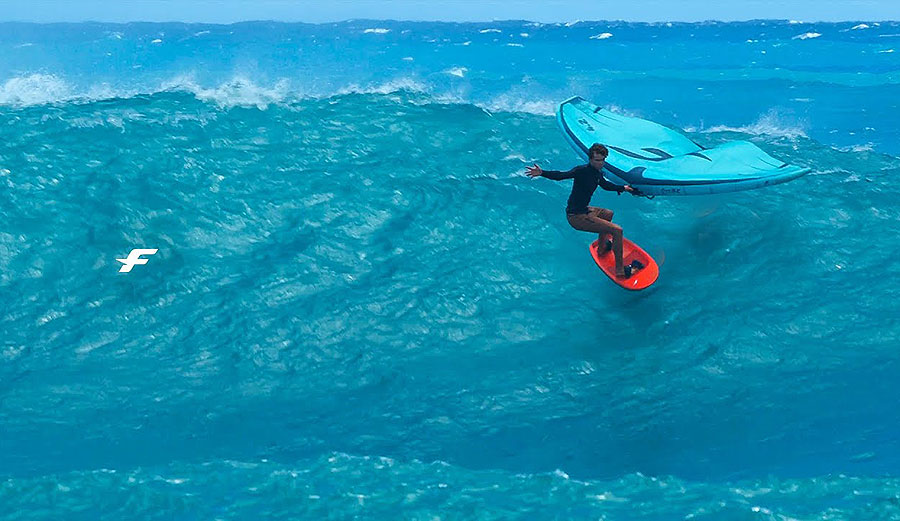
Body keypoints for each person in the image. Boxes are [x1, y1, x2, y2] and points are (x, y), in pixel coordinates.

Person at [526, 143, 639, 278]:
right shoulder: (581, 171)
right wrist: (542, 172)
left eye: (603, 160)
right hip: (576, 217)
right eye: (597, 160)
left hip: (585, 210)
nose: (600, 163)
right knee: (617, 230)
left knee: (608, 214)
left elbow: (605, 185)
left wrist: (623, 188)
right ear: (590, 159)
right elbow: (561, 175)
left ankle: (602, 248)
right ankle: (620, 271)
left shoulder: (597, 173)